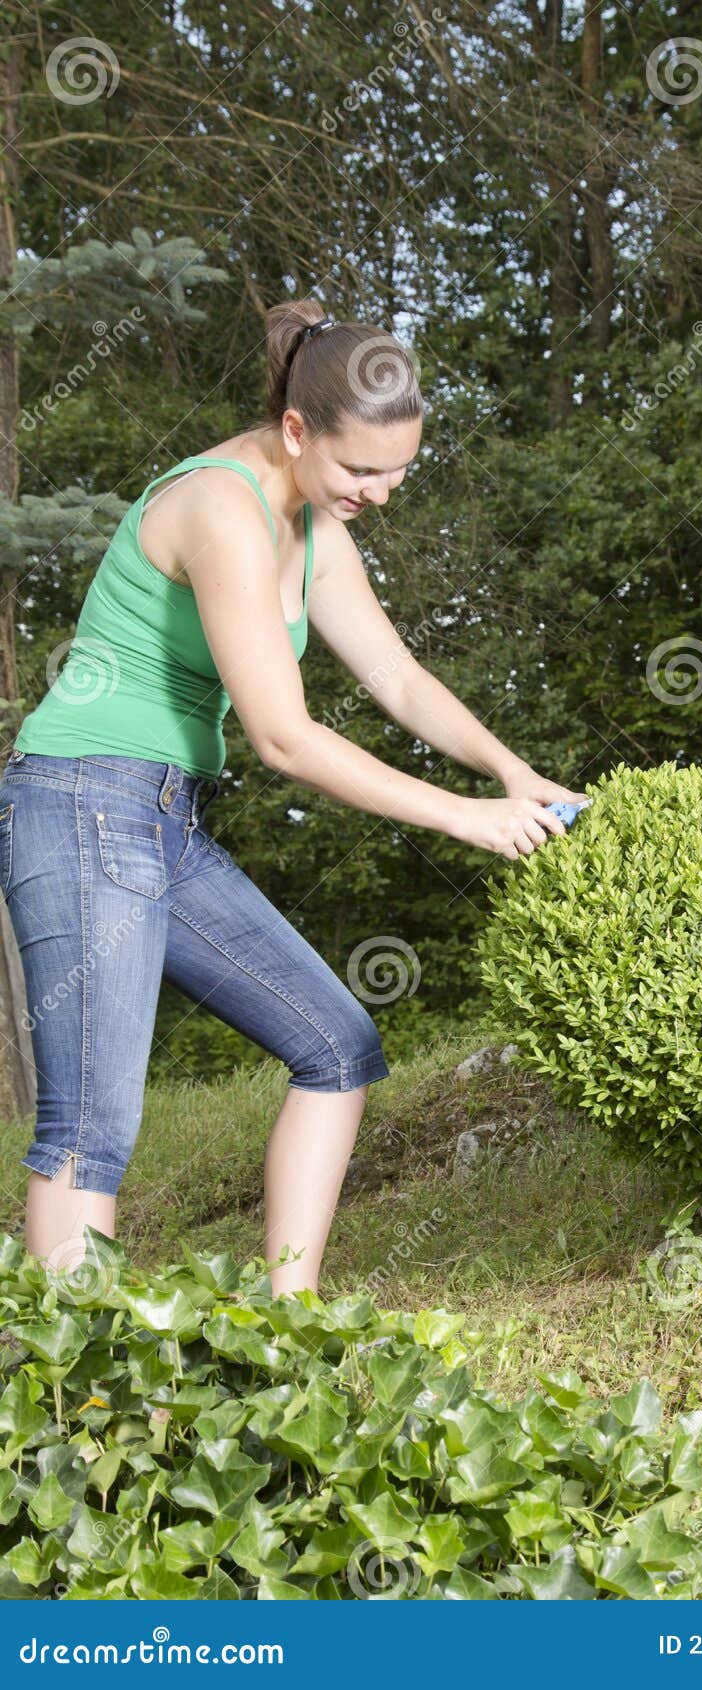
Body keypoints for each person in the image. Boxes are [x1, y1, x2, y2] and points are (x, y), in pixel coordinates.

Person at [0, 297, 588, 1297]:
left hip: (160, 822)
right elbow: (281, 736)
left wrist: (507, 771)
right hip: (79, 803)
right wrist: (464, 818)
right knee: (90, 1126)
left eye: (398, 474)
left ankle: (288, 1324)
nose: (380, 494)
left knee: (337, 1048)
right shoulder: (221, 509)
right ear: (295, 429)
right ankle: (66, 1400)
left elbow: (396, 678)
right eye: (361, 470)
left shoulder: (311, 527)